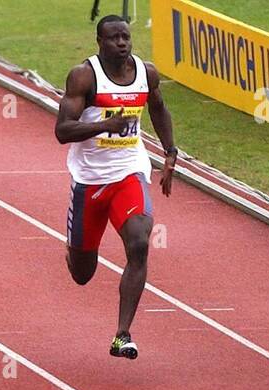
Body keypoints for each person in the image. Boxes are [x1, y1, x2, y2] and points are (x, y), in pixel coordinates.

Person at [55, 15, 176, 360]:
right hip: (90, 180)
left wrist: (170, 152)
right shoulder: (84, 76)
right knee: (82, 273)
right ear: (99, 42)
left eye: (126, 37)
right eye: (113, 38)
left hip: (129, 171)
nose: (121, 43)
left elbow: (159, 108)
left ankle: (122, 334)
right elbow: (63, 130)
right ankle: (73, 247)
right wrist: (106, 124)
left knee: (139, 242)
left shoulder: (146, 72)